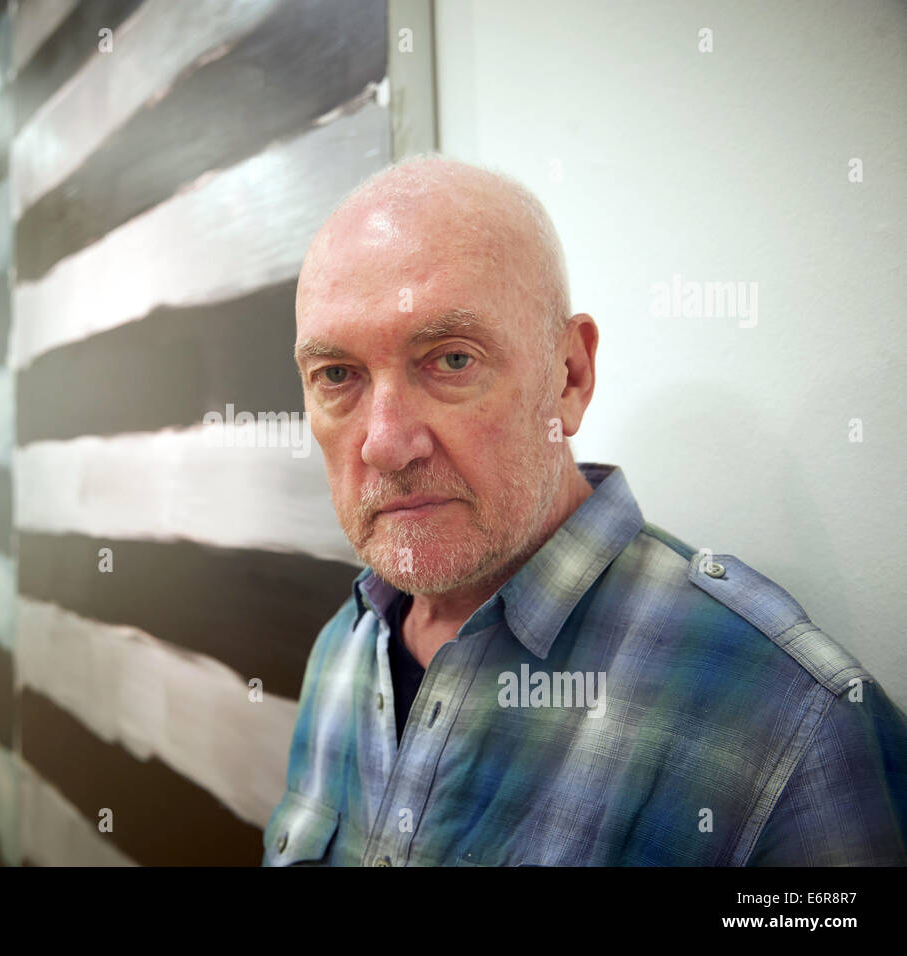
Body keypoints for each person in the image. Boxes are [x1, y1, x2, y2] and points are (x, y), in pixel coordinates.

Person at [264, 154, 907, 866]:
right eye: (337, 376)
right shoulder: (341, 651)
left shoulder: (787, 725)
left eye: (450, 360)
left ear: (570, 376)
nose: (385, 444)